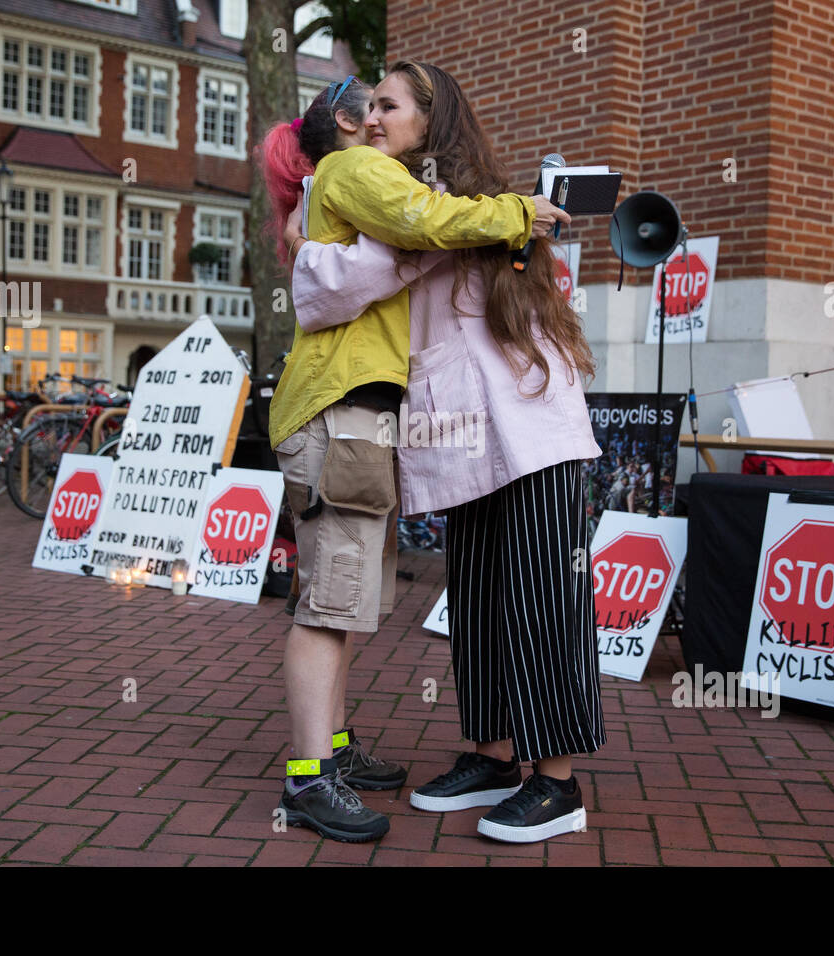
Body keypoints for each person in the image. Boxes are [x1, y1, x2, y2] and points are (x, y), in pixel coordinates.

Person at [283, 60, 605, 843]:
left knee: (540, 602)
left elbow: (439, 252)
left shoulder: (493, 211)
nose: (371, 119)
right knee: (483, 607)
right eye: (367, 109)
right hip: (457, 444)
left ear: (431, 120)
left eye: (389, 106)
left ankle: (558, 784)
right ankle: (494, 756)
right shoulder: (405, 207)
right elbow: (321, 282)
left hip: (529, 433)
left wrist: (490, 221)